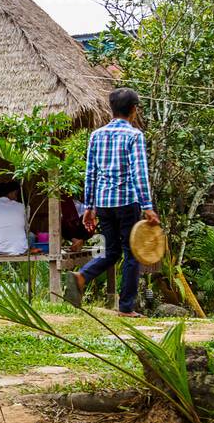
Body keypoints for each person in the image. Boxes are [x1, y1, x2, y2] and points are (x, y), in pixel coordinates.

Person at [64, 87, 160, 317]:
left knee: (111, 251)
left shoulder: (97, 135)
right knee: (131, 253)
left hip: (104, 204)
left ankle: (82, 276)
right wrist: (147, 206)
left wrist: (89, 207)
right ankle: (126, 307)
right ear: (134, 110)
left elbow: (90, 173)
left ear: (112, 109)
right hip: (127, 202)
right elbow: (139, 173)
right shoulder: (134, 135)